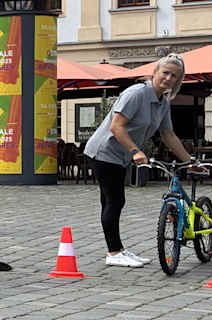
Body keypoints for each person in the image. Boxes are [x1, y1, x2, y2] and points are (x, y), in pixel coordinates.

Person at [82, 54, 197, 268]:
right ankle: (114, 252)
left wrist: (189, 161)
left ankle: (118, 249)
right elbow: (116, 126)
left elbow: (168, 135)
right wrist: (135, 151)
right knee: (114, 201)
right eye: (165, 73)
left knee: (112, 201)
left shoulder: (163, 102)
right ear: (155, 72)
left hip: (120, 155)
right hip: (105, 152)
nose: (169, 78)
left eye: (174, 76)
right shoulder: (137, 94)